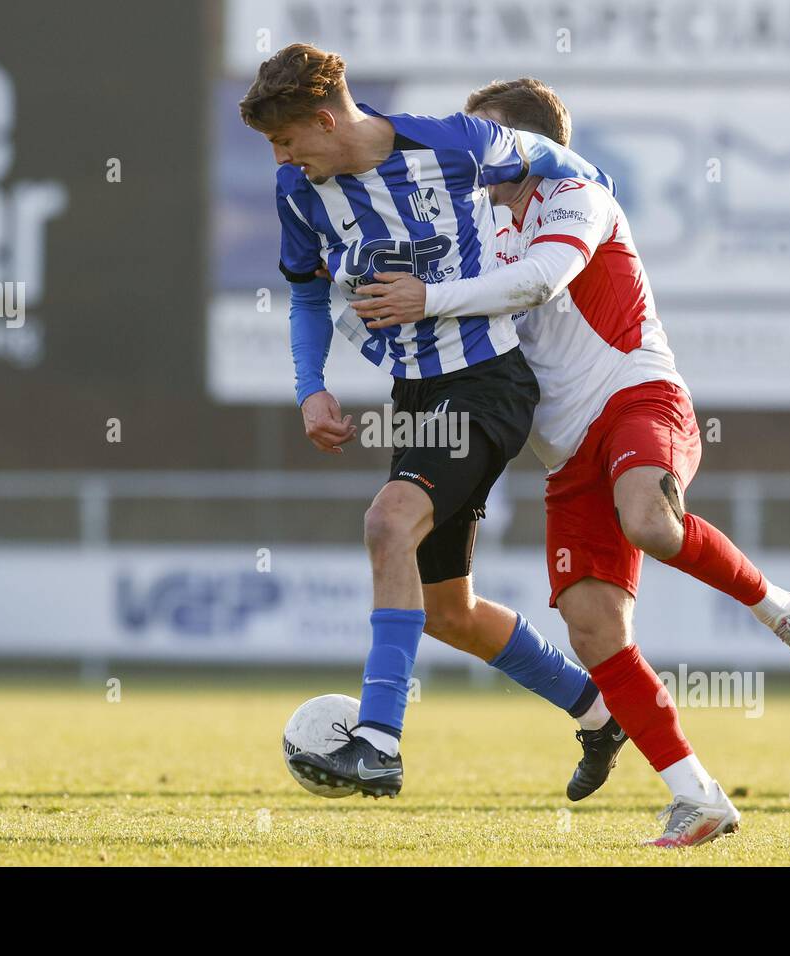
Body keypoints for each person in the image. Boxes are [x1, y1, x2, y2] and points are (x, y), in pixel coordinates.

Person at [354, 77, 790, 846]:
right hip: (566, 456)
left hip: (636, 399)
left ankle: (774, 607)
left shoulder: (575, 192)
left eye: (479, 134)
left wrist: (429, 299)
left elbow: (541, 279)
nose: (465, 148)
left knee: (650, 521)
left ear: (517, 143)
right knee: (592, 630)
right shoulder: (477, 221)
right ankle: (700, 797)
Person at [240, 44, 627, 799]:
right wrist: (310, 388)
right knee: (448, 610)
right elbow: (308, 296)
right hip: (415, 397)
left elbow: (552, 155)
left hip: (487, 382)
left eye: (288, 141)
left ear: (325, 119)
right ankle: (599, 709)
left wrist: (594, 184)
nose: (284, 158)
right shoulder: (298, 190)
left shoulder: (448, 142)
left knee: (389, 524)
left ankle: (378, 742)